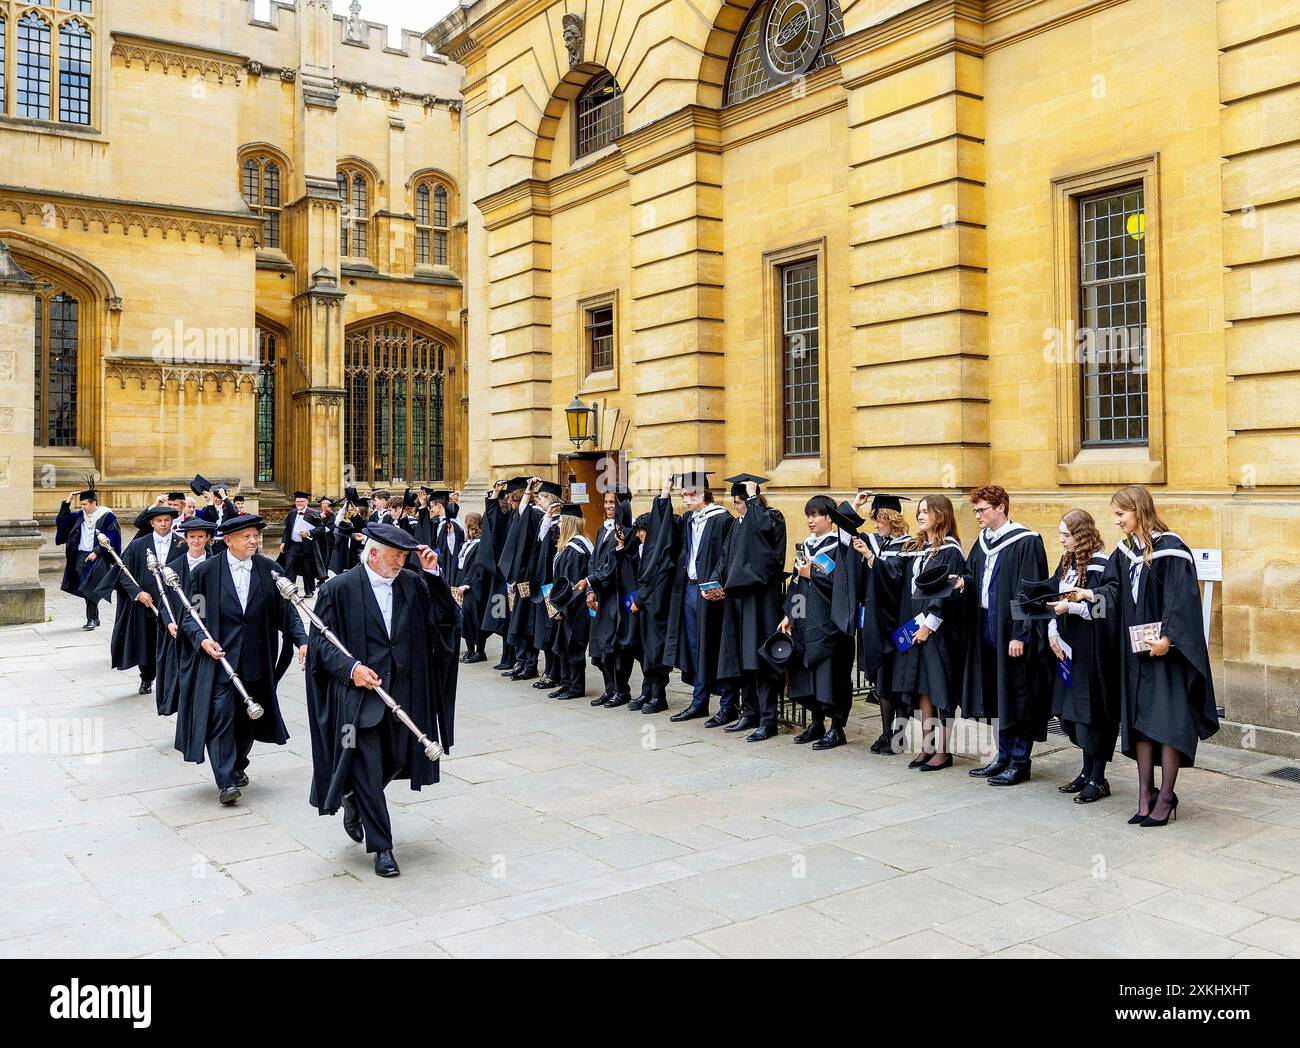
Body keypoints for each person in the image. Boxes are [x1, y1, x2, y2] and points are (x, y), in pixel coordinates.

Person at [305, 523, 459, 877]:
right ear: (373, 553)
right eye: (396, 555)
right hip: (360, 701)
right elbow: (320, 645)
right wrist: (351, 668)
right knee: (366, 767)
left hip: (405, 693)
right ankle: (383, 848)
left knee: (397, 759)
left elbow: (445, 620)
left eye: (405, 556)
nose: (401, 562)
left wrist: (434, 574)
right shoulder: (337, 589)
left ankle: (354, 799)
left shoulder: (413, 583)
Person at [175, 513, 308, 805]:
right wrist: (202, 640)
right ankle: (224, 781)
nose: (253, 540)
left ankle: (237, 764)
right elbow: (192, 615)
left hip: (256, 660)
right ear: (228, 540)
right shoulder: (207, 573)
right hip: (221, 662)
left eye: (254, 535)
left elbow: (287, 610)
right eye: (246, 536)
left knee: (249, 718)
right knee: (221, 715)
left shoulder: (269, 569)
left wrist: (302, 640)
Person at [1106, 485, 1219, 826]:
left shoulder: (1172, 549)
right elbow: (1112, 590)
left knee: (1167, 725)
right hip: (1137, 655)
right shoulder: (1125, 552)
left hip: (1166, 657)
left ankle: (1166, 797)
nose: (1117, 521)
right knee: (1140, 725)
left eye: (1120, 514)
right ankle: (1145, 795)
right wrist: (1086, 596)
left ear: (1138, 511)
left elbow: (1182, 600)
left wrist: (1169, 637)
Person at [961, 485, 1052, 786]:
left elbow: (1031, 592)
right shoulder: (984, 541)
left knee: (1017, 692)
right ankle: (1002, 757)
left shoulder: (1026, 541)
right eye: (976, 511)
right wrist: (962, 581)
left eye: (982, 510)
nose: (978, 516)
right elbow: (975, 574)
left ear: (1000, 507)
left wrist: (1021, 633)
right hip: (985, 624)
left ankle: (1019, 761)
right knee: (997, 691)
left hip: (1010, 629)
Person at [869, 494, 967, 769]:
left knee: (940, 690)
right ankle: (927, 747)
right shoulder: (919, 548)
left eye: (926, 511)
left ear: (941, 515)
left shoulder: (950, 551)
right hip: (915, 627)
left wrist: (928, 626)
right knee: (923, 690)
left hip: (937, 632)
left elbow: (944, 593)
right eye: (920, 511)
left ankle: (943, 752)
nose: (920, 516)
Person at [1046, 509, 1117, 804]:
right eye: (1061, 534)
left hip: (1091, 649)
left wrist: (1071, 608)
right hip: (1066, 647)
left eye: (1067, 535)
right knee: (1069, 715)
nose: (1062, 540)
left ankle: (1097, 777)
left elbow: (1105, 608)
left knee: (1092, 716)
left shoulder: (1101, 565)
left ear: (1081, 534)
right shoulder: (1067, 563)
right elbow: (1051, 599)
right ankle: (1086, 771)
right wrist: (1052, 631)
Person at [779, 497, 861, 751]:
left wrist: (812, 574)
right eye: (808, 515)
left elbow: (843, 585)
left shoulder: (839, 546)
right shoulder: (807, 546)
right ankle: (816, 722)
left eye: (816, 515)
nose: (810, 520)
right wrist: (791, 615)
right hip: (806, 622)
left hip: (830, 624)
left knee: (832, 676)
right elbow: (797, 585)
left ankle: (837, 728)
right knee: (807, 674)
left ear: (830, 518)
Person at [712, 474, 786, 740]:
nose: (737, 508)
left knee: (761, 659)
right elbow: (726, 557)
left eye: (741, 503)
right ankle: (749, 711)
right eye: (735, 503)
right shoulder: (738, 524)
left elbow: (766, 544)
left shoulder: (772, 518)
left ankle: (769, 720)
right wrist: (715, 581)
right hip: (738, 600)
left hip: (761, 600)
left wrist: (754, 501)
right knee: (743, 659)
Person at [659, 472, 734, 719]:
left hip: (712, 592)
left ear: (702, 494)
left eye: (689, 495)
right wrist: (664, 494)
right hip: (689, 590)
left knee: (715, 645)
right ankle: (700, 701)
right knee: (695, 646)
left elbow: (728, 555)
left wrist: (716, 582)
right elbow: (664, 530)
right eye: (682, 496)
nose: (686, 501)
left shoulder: (722, 519)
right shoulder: (690, 520)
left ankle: (727, 704)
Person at [851, 492, 912, 754]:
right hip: (878, 623)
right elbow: (845, 531)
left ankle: (898, 736)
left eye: (879, 520)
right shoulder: (877, 542)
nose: (875, 525)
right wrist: (855, 506)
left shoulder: (909, 546)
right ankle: (886, 733)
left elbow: (895, 577)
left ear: (891, 519)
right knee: (883, 681)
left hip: (899, 623)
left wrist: (872, 559)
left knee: (898, 680)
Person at [109, 504, 184, 695]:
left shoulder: (182, 545)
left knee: (172, 644)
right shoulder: (137, 545)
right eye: (159, 521)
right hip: (146, 605)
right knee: (147, 644)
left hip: (173, 606)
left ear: (172, 522)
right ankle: (146, 677)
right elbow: (123, 574)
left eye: (167, 520)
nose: (163, 524)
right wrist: (138, 593)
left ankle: (173, 679)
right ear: (151, 523)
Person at [156, 516, 217, 717]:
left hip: (209, 630)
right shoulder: (172, 567)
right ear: (186, 538)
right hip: (180, 631)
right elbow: (163, 599)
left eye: (200, 536)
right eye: (192, 537)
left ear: (208, 538)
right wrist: (169, 621)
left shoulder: (215, 564)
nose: (196, 541)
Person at [583, 486, 637, 707]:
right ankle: (609, 688)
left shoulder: (627, 533)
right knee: (600, 645)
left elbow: (613, 566)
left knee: (616, 645)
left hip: (617, 596)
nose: (607, 507)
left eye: (612, 503)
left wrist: (591, 581)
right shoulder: (602, 529)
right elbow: (594, 561)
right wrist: (591, 590)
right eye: (605, 503)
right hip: (601, 596)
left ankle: (621, 690)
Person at [55, 486, 121, 631]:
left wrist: (97, 551)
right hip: (80, 556)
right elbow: (62, 520)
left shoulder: (107, 516)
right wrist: (69, 500)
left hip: (98, 557)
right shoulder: (80, 516)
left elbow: (111, 538)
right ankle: (94, 618)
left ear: (93, 503)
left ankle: (91, 618)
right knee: (86, 588)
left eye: (85, 504)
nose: (83, 507)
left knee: (89, 587)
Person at [629, 510, 676, 712]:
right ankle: (647, 690)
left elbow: (655, 581)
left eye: (643, 531)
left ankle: (659, 695)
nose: (639, 535)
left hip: (656, 608)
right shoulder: (642, 550)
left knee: (655, 652)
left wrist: (639, 600)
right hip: (643, 609)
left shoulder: (660, 552)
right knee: (644, 651)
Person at [547, 504, 594, 699]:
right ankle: (566, 683)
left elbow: (573, 584)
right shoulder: (569, 546)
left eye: (561, 522)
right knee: (563, 645)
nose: (558, 526)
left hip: (575, 607)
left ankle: (575, 687)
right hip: (565, 606)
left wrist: (562, 607)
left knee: (573, 645)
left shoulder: (577, 549)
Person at [524, 481, 564, 690]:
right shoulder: (546, 521)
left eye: (542, 498)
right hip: (543, 585)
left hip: (553, 585)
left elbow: (550, 552)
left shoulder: (560, 524)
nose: (538, 501)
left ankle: (554, 672)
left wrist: (548, 517)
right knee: (544, 631)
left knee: (552, 631)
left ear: (550, 500)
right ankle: (549, 669)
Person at [278, 491, 328, 597]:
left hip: (307, 547)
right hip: (293, 546)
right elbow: (287, 529)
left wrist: (308, 532)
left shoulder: (314, 513)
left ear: (307, 502)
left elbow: (321, 528)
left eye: (301, 501)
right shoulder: (292, 513)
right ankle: (290, 590)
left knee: (307, 569)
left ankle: (309, 591)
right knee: (289, 567)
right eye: (297, 501)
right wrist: (283, 542)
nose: (299, 503)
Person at [454, 511, 488, 663]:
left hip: (474, 587)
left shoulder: (480, 545)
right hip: (463, 583)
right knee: (465, 619)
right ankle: (469, 650)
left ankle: (480, 651)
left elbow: (477, 567)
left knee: (475, 618)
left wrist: (466, 584)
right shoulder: (467, 543)